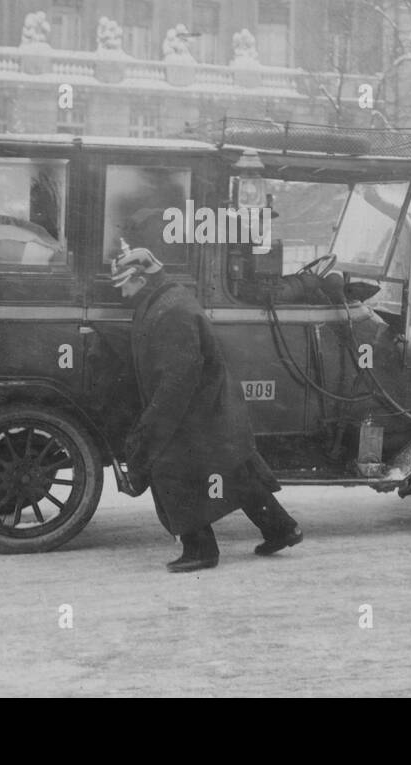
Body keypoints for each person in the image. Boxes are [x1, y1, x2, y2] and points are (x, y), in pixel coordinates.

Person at [113, 245, 302, 572]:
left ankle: (201, 550)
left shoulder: (170, 311)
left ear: (141, 280)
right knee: (237, 472)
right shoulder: (168, 300)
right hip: (212, 408)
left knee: (171, 470)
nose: (121, 292)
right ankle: (282, 529)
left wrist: (154, 424)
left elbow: (177, 379)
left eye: (125, 284)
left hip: (196, 412)